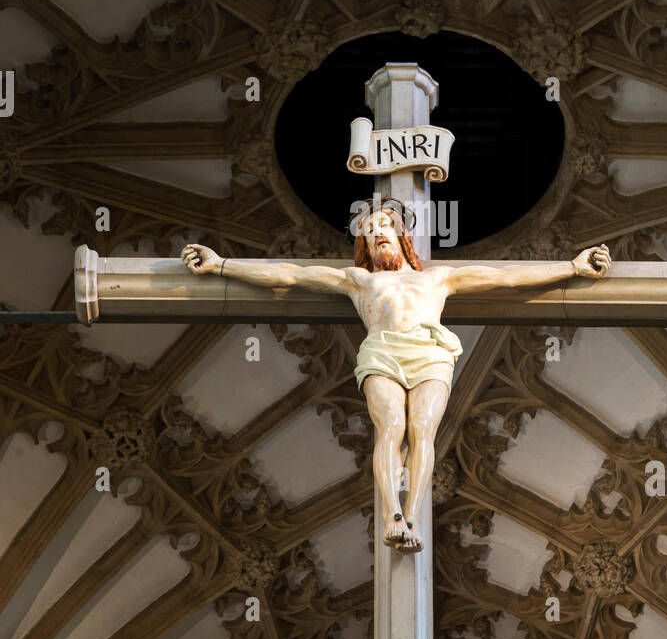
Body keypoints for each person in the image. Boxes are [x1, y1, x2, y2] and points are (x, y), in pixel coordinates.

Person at [181, 202, 611, 554]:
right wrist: (222, 267)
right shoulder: (360, 281)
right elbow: (292, 275)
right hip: (383, 351)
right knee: (392, 427)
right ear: (364, 245)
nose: (378, 233)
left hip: (430, 353)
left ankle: (413, 512)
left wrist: (572, 268)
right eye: (369, 231)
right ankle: (392, 514)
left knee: (423, 431)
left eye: (385, 225)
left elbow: (504, 277)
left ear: (402, 236)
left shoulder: (437, 278)